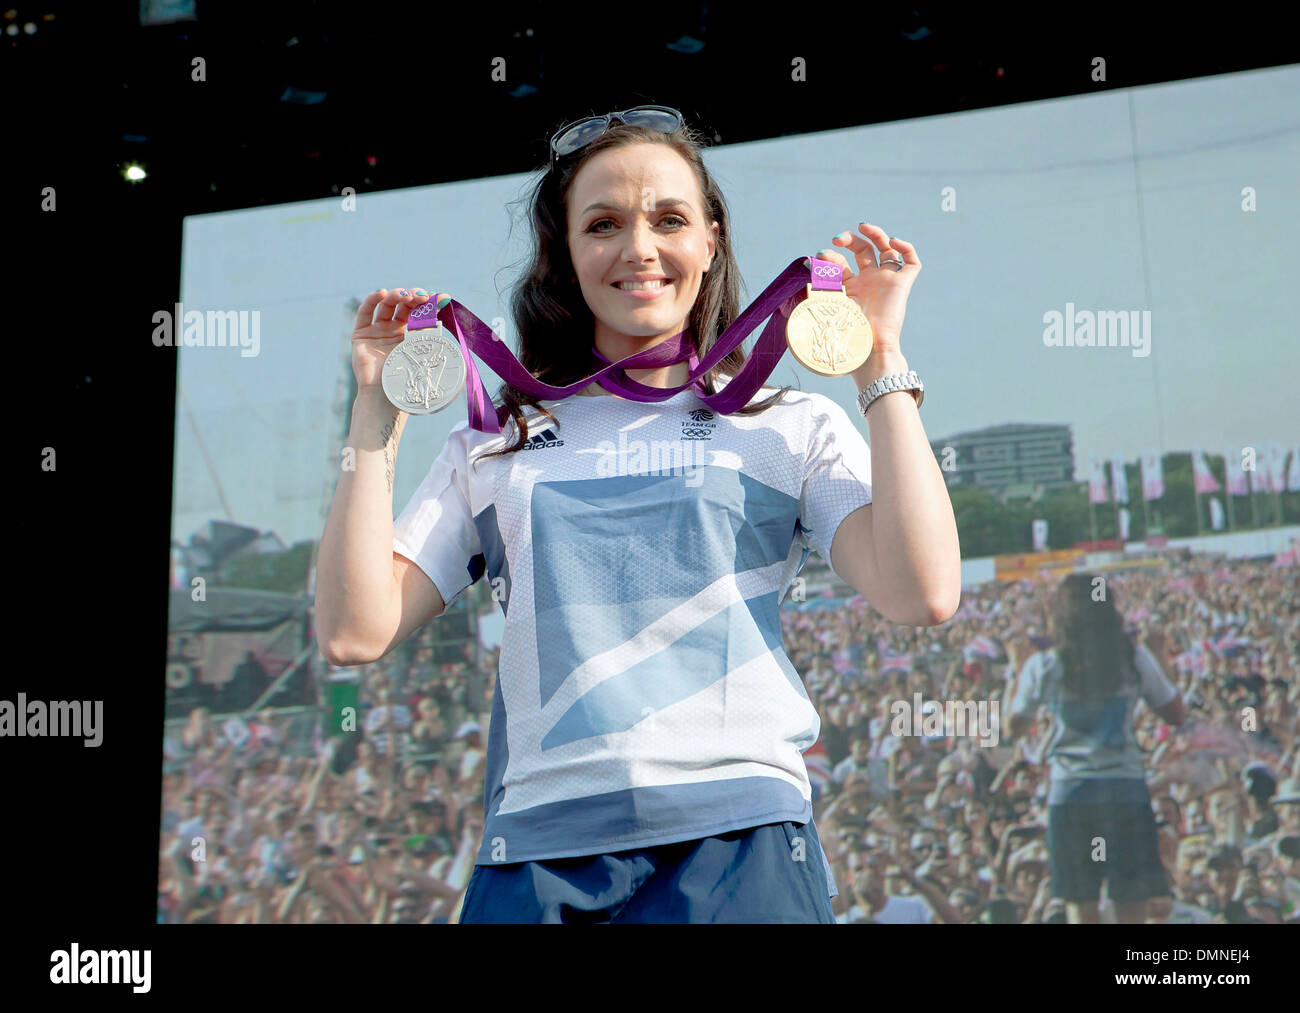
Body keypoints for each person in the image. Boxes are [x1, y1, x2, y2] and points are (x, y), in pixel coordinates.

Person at [313, 105, 959, 923]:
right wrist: (375, 413)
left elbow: (922, 591)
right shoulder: (496, 445)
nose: (639, 248)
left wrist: (880, 360)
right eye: (603, 224)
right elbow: (352, 631)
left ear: (711, 240)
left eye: (670, 219)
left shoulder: (788, 425)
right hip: (536, 857)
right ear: (565, 253)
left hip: (743, 846)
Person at [1004, 572, 1187, 923]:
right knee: (1132, 903)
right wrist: (1160, 655)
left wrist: (1016, 669)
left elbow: (1014, 728)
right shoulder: (1133, 659)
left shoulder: (1044, 665)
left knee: (1081, 905)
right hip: (1125, 792)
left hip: (1071, 795)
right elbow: (1175, 714)